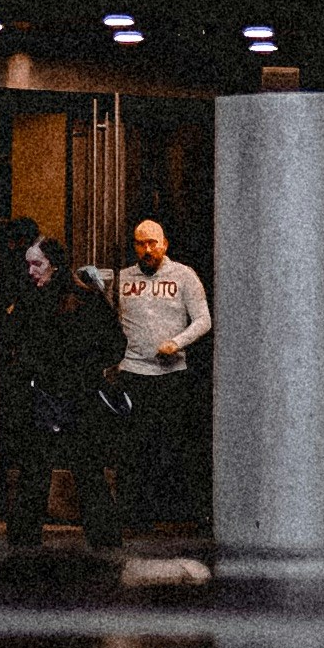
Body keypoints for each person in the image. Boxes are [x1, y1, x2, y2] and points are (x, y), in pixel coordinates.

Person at [0, 214, 124, 543]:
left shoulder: (80, 300)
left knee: (53, 470)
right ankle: (100, 538)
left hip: (67, 394)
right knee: (71, 470)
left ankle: (28, 538)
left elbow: (114, 344)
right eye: (29, 265)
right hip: (55, 393)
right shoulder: (44, 300)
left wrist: (83, 370)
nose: (31, 271)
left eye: (37, 264)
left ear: (53, 264)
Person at [114, 210, 214, 529]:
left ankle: (175, 513)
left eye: (151, 243)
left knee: (172, 444)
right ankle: (133, 515)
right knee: (132, 447)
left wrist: (177, 341)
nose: (145, 250)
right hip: (132, 371)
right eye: (139, 244)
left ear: (164, 244)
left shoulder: (184, 276)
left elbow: (203, 320)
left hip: (171, 375)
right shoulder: (125, 278)